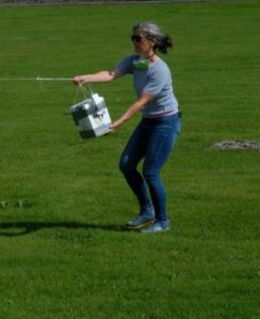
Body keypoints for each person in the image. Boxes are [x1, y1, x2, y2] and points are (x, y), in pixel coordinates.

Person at [73, 21, 180, 234]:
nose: (134, 42)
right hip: (149, 121)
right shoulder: (135, 61)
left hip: (165, 122)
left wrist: (118, 123)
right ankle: (146, 211)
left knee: (151, 172)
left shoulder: (160, 70)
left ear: (153, 42)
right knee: (126, 165)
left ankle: (162, 220)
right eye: (133, 38)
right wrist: (86, 78)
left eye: (138, 38)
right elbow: (111, 74)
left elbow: (142, 102)